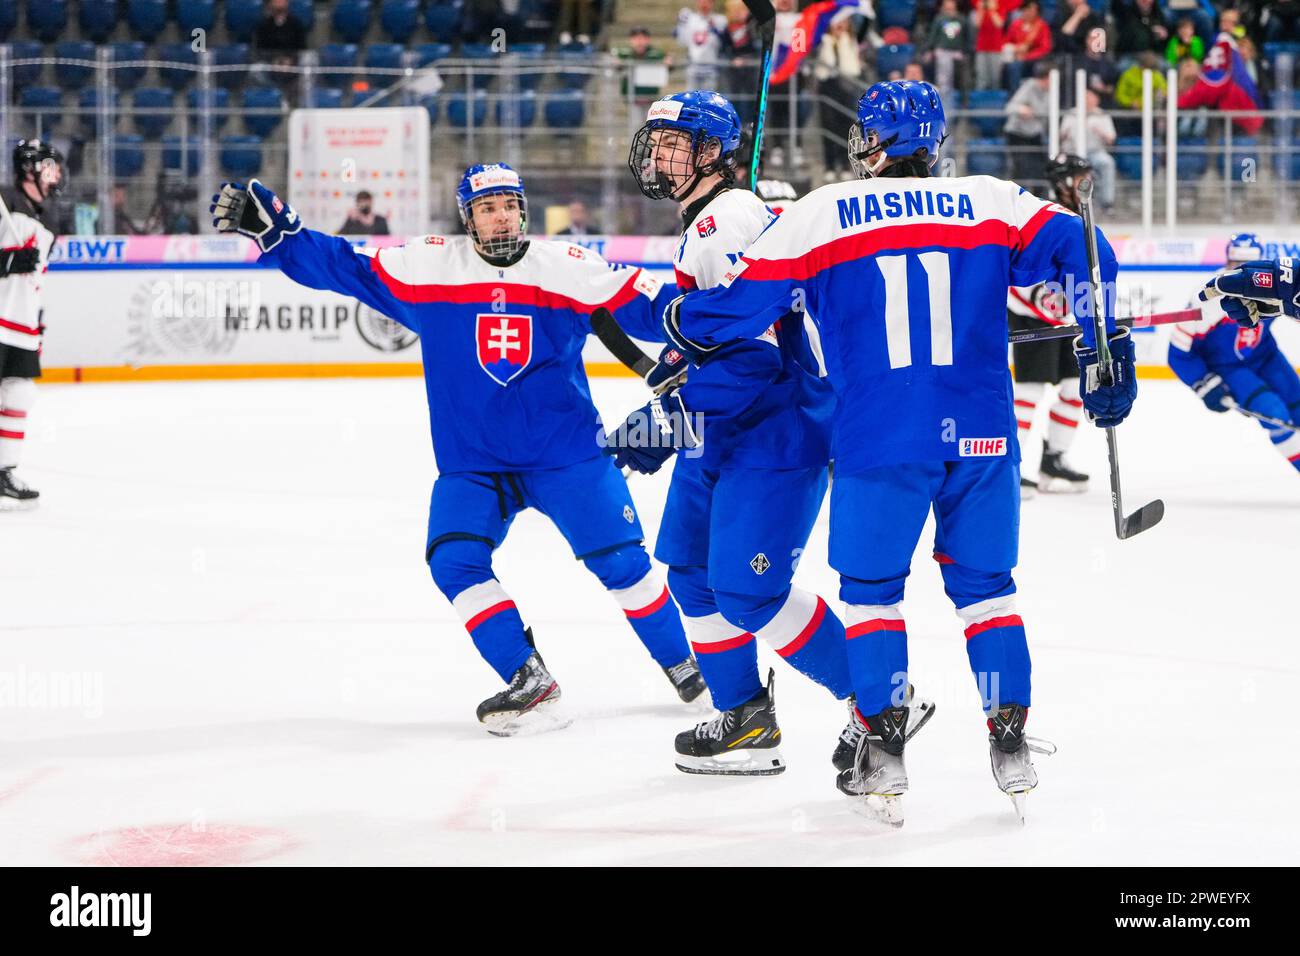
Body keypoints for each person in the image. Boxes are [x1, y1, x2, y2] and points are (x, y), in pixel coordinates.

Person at [657, 80, 1136, 822]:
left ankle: (883, 752)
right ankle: (1007, 736)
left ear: (870, 143)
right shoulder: (992, 198)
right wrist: (1109, 346)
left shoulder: (821, 211)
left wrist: (684, 315)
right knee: (989, 593)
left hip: (880, 439)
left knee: (873, 597)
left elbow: (742, 307)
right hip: (983, 438)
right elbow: (1088, 253)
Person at [210, 163, 707, 735]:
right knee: (452, 561)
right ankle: (528, 677)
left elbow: (652, 305)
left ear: (522, 209)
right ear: (467, 217)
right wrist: (287, 238)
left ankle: (684, 664)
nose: (501, 215)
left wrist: (712, 314)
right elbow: (345, 267)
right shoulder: (427, 267)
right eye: (487, 206)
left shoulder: (566, 269)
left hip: (566, 455)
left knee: (624, 567)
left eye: (509, 204)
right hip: (474, 465)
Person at [611, 91, 856, 776]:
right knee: (690, 572)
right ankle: (745, 718)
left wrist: (666, 421)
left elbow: (755, 359)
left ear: (712, 152)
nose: (658, 154)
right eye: (655, 141)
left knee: (750, 592)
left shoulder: (726, 221)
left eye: (675, 143)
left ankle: (877, 704)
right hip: (723, 431)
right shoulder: (711, 220)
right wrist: (678, 363)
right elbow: (717, 341)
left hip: (773, 431)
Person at [1172, 235, 1300, 475]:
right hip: (1230, 369)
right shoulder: (1207, 298)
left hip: (1266, 356)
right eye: (1235, 263)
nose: (1240, 270)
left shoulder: (1270, 285)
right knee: (1276, 415)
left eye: (1249, 263)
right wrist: (1204, 383)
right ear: (1227, 260)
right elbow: (1177, 353)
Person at [1010, 154, 1093, 497]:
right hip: (1032, 316)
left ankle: (1054, 460)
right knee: (1029, 391)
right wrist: (1043, 300)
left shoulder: (1084, 217)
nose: (1086, 185)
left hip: (1067, 319)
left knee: (1076, 388)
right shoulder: (1038, 214)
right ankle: (1009, 466)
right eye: (1078, 178)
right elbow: (1017, 267)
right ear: (1061, 182)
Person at [0, 140, 62, 511]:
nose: (56, 176)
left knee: (20, 395)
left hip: (21, 324)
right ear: (29, 170)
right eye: (49, 167)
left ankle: (4, 470)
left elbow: (36, 278)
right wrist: (6, 263)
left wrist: (38, 322)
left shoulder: (45, 219)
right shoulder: (4, 203)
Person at [1057, 90, 1117, 209]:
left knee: (1107, 163)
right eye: (1085, 97)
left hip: (1095, 152)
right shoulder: (1072, 114)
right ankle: (1070, 203)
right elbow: (1060, 136)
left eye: (1090, 98)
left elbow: (1112, 139)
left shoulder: (1102, 115)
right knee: (1065, 166)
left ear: (1096, 100)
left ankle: (1107, 203)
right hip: (1073, 153)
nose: (1087, 101)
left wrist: (1100, 132)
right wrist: (1065, 134)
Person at [1004, 62, 1053, 186]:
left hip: (1035, 135)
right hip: (1017, 133)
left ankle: (1039, 200)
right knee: (1022, 168)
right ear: (1045, 78)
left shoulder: (1051, 92)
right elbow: (1010, 107)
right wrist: (1022, 109)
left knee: (1042, 168)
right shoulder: (1030, 86)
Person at [254, 0, 308, 67]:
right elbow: (260, 50)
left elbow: (302, 48)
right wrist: (274, 61)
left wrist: (290, 60)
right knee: (257, 67)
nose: (279, 2)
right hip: (270, 63)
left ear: (287, 3)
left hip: (293, 62)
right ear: (270, 4)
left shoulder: (296, 24)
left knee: (308, 61)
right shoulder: (263, 25)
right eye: (276, 1)